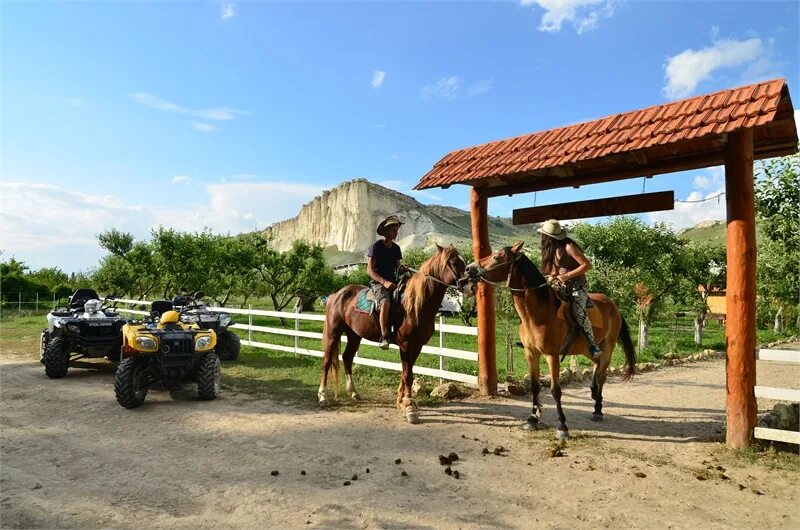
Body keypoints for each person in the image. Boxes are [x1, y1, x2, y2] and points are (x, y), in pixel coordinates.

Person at [538, 219, 602, 359]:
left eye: (545, 235)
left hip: (577, 286)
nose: (543, 237)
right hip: (559, 285)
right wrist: (551, 276)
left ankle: (592, 344)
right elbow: (553, 270)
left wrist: (567, 275)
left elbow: (586, 265)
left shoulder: (569, 247)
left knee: (579, 311)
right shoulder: (551, 249)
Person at [367, 216, 404, 349]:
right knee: (386, 303)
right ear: (386, 231)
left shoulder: (396, 248)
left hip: (393, 282)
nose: (395, 233)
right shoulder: (375, 247)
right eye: (393, 230)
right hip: (378, 283)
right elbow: (369, 270)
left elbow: (398, 269)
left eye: (396, 230)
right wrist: (384, 282)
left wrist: (402, 269)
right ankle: (384, 336)